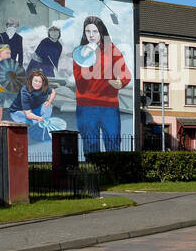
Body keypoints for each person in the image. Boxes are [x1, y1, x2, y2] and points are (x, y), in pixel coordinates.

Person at [73, 15, 130, 153]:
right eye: (88, 31)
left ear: (101, 32)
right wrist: (85, 59)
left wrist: (120, 81)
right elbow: (79, 81)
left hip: (109, 105)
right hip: (86, 105)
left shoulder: (112, 50)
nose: (91, 35)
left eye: (95, 31)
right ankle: (92, 172)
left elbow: (125, 73)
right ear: (84, 33)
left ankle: (112, 172)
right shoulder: (79, 52)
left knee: (113, 141)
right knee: (90, 142)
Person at [8, 68, 64, 142]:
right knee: (34, 123)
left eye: (40, 82)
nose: (37, 83)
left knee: (48, 107)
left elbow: (53, 92)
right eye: (35, 81)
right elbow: (28, 114)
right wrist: (37, 118)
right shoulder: (25, 91)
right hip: (19, 111)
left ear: (43, 83)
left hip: (35, 108)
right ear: (31, 80)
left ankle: (41, 124)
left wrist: (49, 101)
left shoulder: (45, 88)